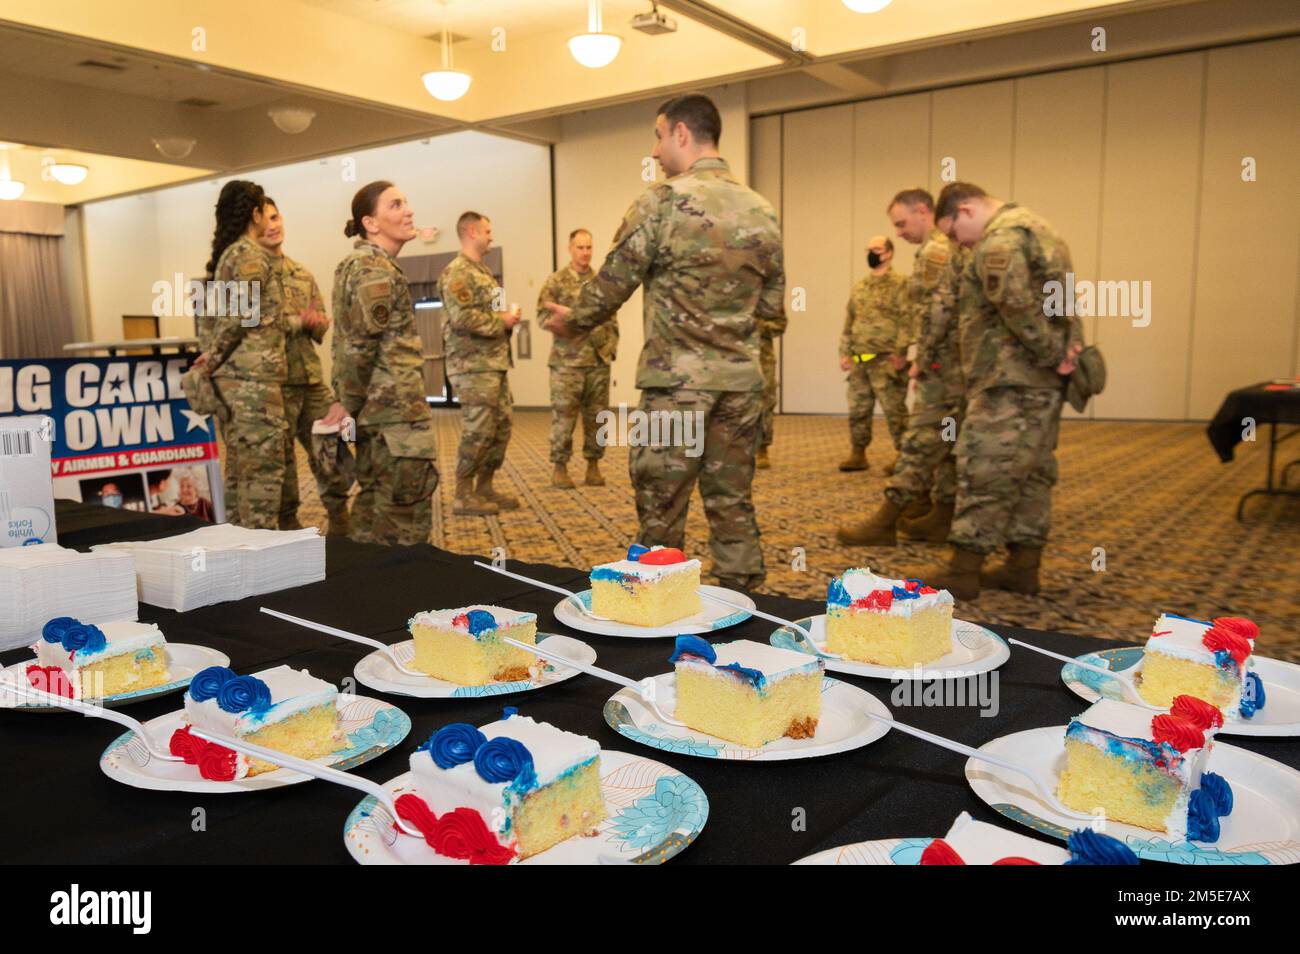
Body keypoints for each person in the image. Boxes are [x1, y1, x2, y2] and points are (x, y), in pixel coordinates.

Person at [544, 93, 785, 591]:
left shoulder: (660, 202)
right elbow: (774, 313)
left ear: (681, 133)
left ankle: (658, 607)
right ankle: (743, 605)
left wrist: (575, 321)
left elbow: (613, 283)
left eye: (657, 136)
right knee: (732, 500)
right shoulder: (762, 210)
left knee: (661, 504)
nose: (654, 152)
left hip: (675, 386)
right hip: (741, 386)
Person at [907, 182, 1084, 599]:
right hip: (1039, 380)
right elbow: (1062, 299)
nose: (956, 243)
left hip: (1009, 377)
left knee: (982, 465)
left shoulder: (998, 241)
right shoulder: (1043, 230)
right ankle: (1024, 567)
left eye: (952, 233)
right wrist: (1068, 352)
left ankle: (965, 569)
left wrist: (1051, 351)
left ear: (965, 211)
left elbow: (1015, 303)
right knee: (1033, 471)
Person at [838, 189, 966, 545]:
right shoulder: (863, 285)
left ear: (923, 211)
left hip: (942, 367)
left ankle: (893, 515)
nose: (898, 232)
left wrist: (917, 359)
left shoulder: (935, 252)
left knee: (919, 437)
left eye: (901, 224)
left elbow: (930, 314)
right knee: (947, 438)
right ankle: (940, 511)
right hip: (939, 363)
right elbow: (850, 320)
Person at [332, 180, 438, 545]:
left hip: (382, 415)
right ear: (371, 223)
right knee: (403, 518)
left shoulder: (371, 264)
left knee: (377, 507)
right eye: (395, 205)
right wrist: (347, 404)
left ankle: (362, 585)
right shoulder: (372, 268)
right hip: (393, 417)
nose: (408, 211)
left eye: (406, 203)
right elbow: (360, 345)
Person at [193, 180, 290, 529]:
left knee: (240, 471)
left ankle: (238, 543)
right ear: (255, 213)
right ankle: (262, 551)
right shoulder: (247, 255)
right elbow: (240, 317)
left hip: (240, 381)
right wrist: (212, 358)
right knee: (263, 473)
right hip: (253, 382)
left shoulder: (229, 254)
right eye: (266, 211)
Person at [255, 198, 353, 536]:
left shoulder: (302, 274)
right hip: (273, 385)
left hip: (310, 381)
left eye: (276, 216)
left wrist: (316, 323)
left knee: (330, 446)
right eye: (265, 220)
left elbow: (322, 329)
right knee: (281, 462)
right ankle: (287, 522)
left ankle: (339, 515)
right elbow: (252, 327)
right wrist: (299, 321)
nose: (273, 225)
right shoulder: (249, 276)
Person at [438, 211, 520, 516]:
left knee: (501, 426)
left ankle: (485, 487)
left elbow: (498, 316)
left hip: (495, 363)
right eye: (487, 230)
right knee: (479, 429)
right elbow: (462, 318)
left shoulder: (486, 273)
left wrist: (508, 321)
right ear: (471, 232)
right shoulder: (457, 272)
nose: (491, 235)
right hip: (472, 366)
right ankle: (463, 493)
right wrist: (502, 321)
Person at [538, 228, 617, 489]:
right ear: (570, 249)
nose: (585, 253)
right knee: (564, 418)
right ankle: (560, 468)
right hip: (567, 363)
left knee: (597, 418)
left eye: (589, 248)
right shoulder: (556, 282)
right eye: (580, 247)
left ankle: (593, 466)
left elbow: (612, 319)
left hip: (597, 362)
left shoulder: (601, 282)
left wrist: (610, 350)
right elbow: (542, 317)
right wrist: (564, 323)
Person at [837, 236, 909, 474]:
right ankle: (858, 454)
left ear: (888, 253)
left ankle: (903, 455)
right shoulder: (860, 286)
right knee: (858, 408)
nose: (871, 253)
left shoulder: (901, 284)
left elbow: (906, 320)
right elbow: (849, 322)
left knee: (894, 409)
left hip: (886, 357)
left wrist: (901, 352)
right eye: (869, 249)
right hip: (860, 358)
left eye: (876, 249)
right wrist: (844, 352)